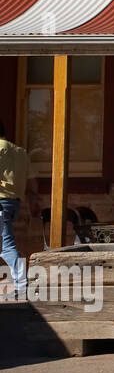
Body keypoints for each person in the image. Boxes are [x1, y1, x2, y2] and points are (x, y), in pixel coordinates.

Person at [0, 121, 38, 301]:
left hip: (0, 202)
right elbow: (32, 181)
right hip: (14, 203)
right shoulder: (21, 152)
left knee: (6, 246)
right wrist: (34, 203)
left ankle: (22, 286)